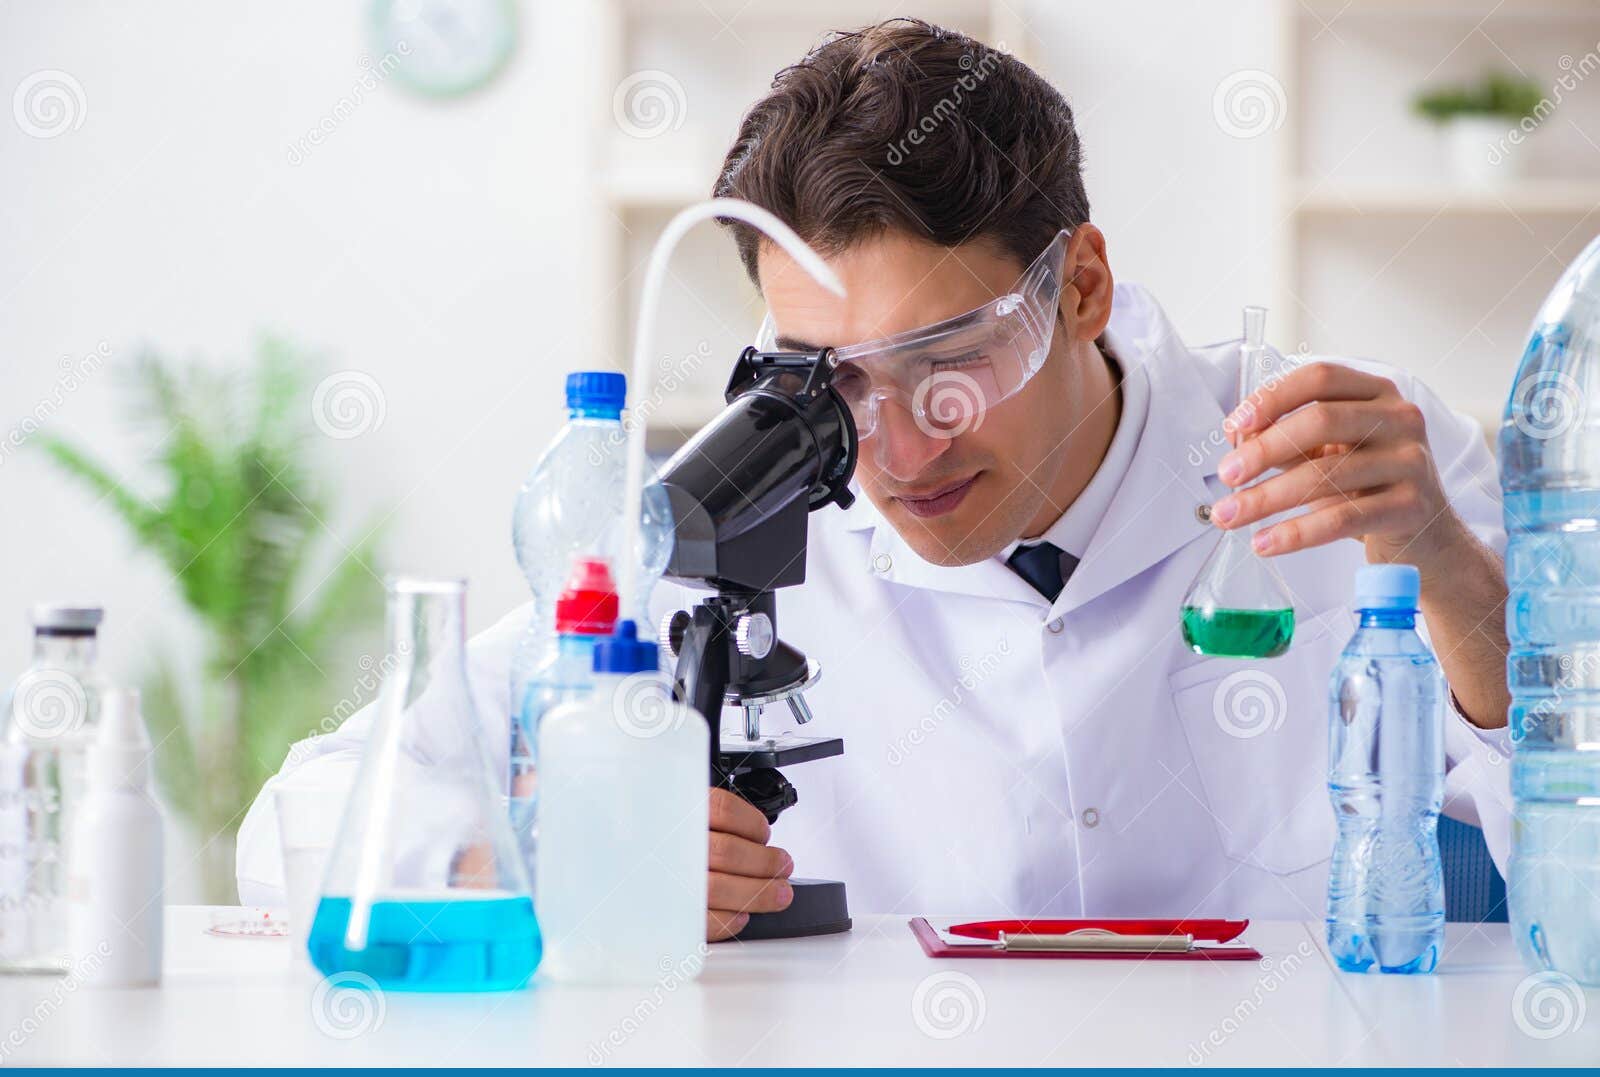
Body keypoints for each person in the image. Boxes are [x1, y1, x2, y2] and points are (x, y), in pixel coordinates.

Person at [237, 19, 1512, 941]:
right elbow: (297, 822)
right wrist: (545, 855)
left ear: (1079, 286)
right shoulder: (731, 515)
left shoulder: (1359, 463)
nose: (897, 452)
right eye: (827, 378)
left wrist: (1458, 581)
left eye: (949, 362)